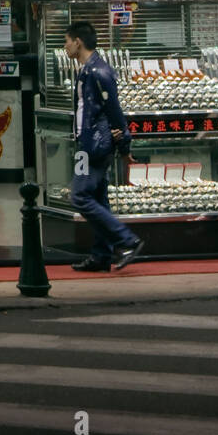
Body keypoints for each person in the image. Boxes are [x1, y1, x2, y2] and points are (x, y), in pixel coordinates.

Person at [65, 21, 144, 271]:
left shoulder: (99, 72)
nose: (65, 46)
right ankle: (102, 255)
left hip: (92, 146)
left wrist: (125, 144)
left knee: (79, 196)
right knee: (98, 197)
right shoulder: (88, 70)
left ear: (78, 41)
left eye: (67, 41)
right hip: (90, 142)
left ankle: (128, 240)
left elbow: (115, 110)